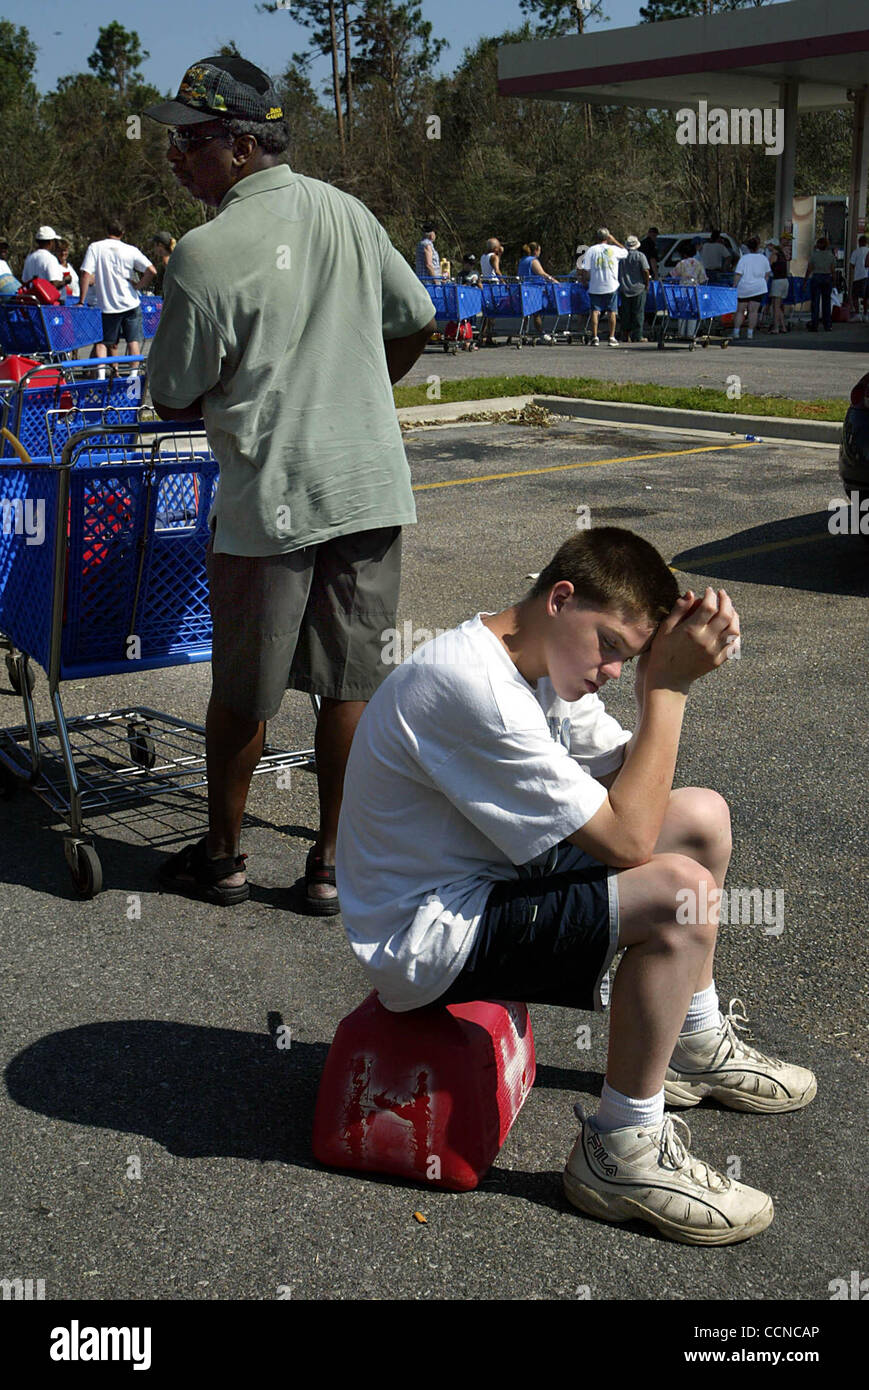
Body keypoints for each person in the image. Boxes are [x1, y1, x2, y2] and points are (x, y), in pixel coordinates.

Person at [336, 526, 816, 1245]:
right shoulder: (472, 687)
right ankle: (621, 1150)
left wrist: (665, 667)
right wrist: (670, 689)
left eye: (629, 655)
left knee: (700, 818)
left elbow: (635, 790)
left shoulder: (541, 664)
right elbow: (625, 836)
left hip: (489, 877)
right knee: (678, 895)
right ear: (560, 599)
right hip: (426, 934)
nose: (614, 670)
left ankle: (693, 1040)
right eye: (612, 647)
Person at [145, 54, 435, 913]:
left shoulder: (203, 253)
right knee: (350, 685)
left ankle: (224, 858)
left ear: (239, 149)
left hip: (270, 501)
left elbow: (170, 394)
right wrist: (361, 393)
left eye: (187, 141)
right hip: (368, 488)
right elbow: (415, 317)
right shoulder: (348, 213)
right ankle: (332, 865)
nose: (175, 158)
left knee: (245, 689)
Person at [78, 217, 156, 360]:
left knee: (102, 343)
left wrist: (81, 300)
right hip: (130, 302)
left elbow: (85, 274)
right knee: (133, 341)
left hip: (107, 304)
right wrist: (138, 286)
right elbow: (151, 270)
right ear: (123, 232)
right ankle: (133, 376)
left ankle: (101, 375)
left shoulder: (95, 247)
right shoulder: (130, 250)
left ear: (107, 231)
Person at [579, 228, 627, 346]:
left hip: (595, 285)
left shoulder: (591, 250)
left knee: (595, 311)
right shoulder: (613, 249)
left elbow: (585, 269)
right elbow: (625, 251)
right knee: (612, 312)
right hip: (611, 285)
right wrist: (614, 240)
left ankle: (595, 336)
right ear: (607, 237)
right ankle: (611, 337)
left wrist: (585, 280)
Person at [731, 237, 771, 340]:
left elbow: (738, 274)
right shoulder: (763, 258)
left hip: (744, 287)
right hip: (758, 288)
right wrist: (764, 283)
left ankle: (736, 331)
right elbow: (767, 273)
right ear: (758, 247)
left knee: (740, 310)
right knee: (754, 311)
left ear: (748, 247)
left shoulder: (744, 258)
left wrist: (734, 285)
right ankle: (750, 332)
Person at [517, 241, 557, 342]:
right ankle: (541, 333)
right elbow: (542, 274)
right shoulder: (533, 261)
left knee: (526, 313)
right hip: (533, 290)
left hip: (524, 290)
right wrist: (555, 281)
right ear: (536, 251)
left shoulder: (522, 260)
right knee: (536, 313)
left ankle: (524, 332)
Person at [617, 235, 650, 343]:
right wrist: (647, 283)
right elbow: (645, 270)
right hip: (638, 288)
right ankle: (638, 335)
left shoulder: (621, 257)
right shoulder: (640, 256)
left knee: (625, 313)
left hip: (624, 288)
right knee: (638, 313)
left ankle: (625, 334)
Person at [805, 236, 837, 332]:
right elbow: (833, 270)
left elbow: (809, 269)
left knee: (815, 302)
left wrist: (805, 281)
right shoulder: (831, 256)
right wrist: (834, 282)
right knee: (826, 302)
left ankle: (814, 325)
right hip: (827, 278)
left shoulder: (814, 255)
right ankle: (827, 325)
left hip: (816, 277)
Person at [22, 226, 67, 291]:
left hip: (33, 298)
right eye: (54, 241)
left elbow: (25, 281)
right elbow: (54, 284)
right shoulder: (50, 258)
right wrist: (66, 281)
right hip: (49, 300)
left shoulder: (29, 258)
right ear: (50, 242)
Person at [478, 236, 504, 347]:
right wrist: (503, 281)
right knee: (492, 312)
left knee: (487, 311)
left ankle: (483, 335)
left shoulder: (483, 256)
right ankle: (486, 335)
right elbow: (497, 270)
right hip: (493, 284)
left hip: (485, 283)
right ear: (495, 248)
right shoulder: (493, 257)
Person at [766, 241, 789, 334]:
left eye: (769, 245)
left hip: (777, 281)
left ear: (772, 246)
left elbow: (767, 267)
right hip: (785, 281)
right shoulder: (782, 255)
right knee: (779, 306)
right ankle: (783, 326)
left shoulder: (774, 255)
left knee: (775, 306)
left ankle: (776, 327)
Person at [848, 234, 868, 320]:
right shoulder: (868, 251)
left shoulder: (856, 252)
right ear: (866, 243)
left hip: (858, 277)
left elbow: (852, 265)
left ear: (859, 242)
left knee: (855, 295)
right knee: (866, 296)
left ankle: (857, 313)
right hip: (867, 276)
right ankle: (865, 314)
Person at [151, 230, 176, 295]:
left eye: (154, 245)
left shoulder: (166, 262)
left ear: (160, 245)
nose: (153, 248)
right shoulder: (174, 257)